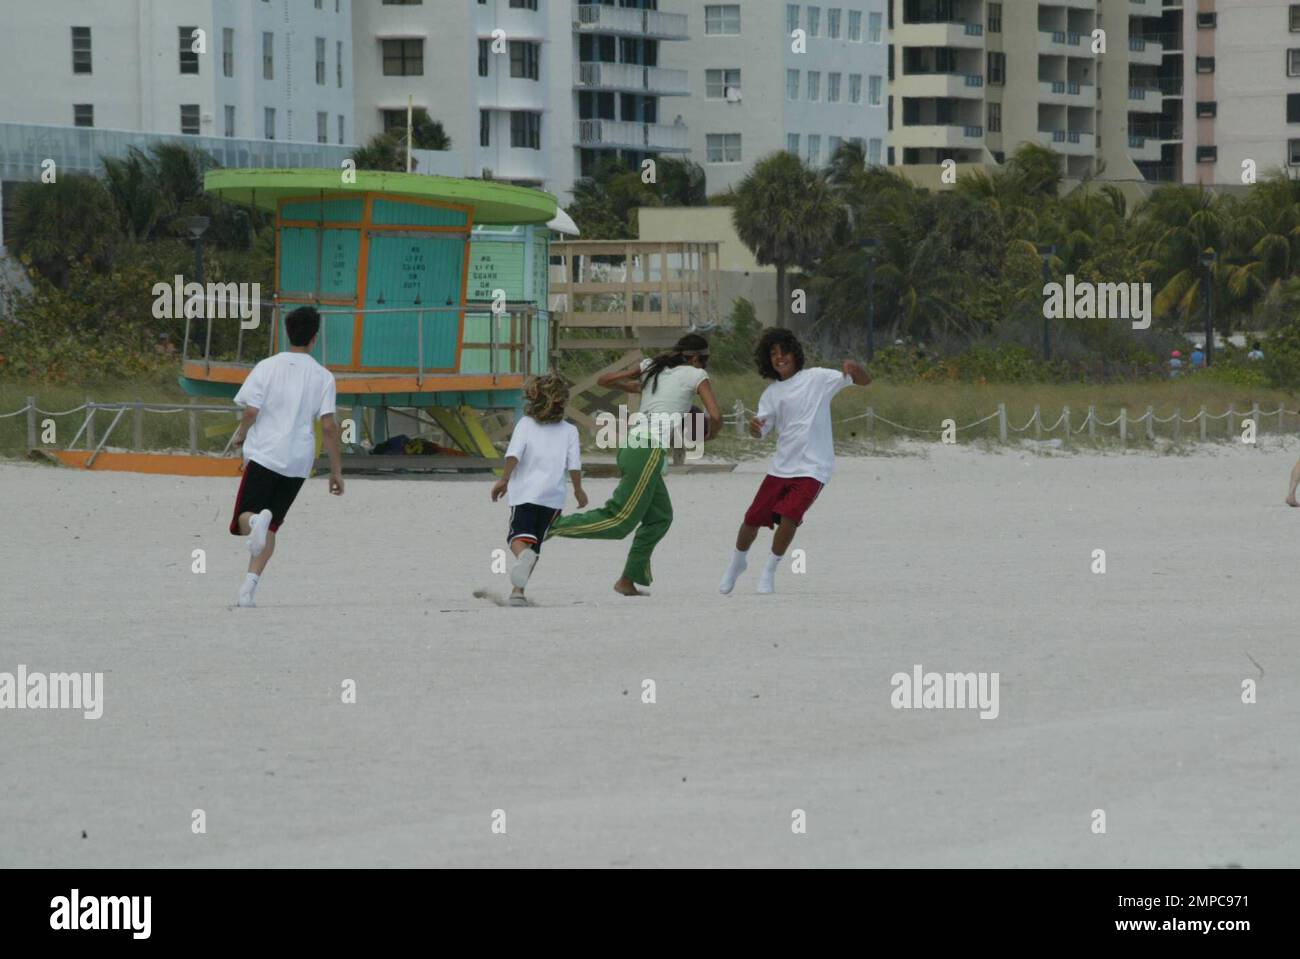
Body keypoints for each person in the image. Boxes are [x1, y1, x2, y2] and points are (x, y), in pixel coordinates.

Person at [547, 333, 722, 596]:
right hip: (647, 449)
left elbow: (604, 380)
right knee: (620, 521)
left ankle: (628, 580)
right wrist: (712, 433)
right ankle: (551, 526)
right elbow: (715, 414)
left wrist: (632, 382)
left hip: (632, 445)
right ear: (696, 358)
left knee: (660, 518)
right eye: (703, 361)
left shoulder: (654, 370)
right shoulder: (696, 376)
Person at [720, 328, 871, 595]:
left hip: (815, 468)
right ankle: (737, 563)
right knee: (751, 520)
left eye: (784, 352)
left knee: (790, 517)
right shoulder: (771, 393)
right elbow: (761, 431)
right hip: (781, 467)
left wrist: (855, 368)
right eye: (773, 354)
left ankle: (769, 570)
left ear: (795, 353)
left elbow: (863, 381)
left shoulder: (818, 378)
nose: (780, 358)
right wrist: (756, 428)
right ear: (768, 361)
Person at [229, 306, 343, 608]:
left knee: (246, 521)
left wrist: (240, 434)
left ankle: (255, 522)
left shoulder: (267, 366)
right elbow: (329, 426)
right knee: (272, 527)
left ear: (287, 332)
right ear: (314, 338)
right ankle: (248, 589)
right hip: (297, 463)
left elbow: (251, 411)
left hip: (266, 454)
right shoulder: (324, 376)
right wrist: (335, 471)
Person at [491, 374, 587, 606]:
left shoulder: (525, 424)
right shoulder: (570, 431)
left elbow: (514, 454)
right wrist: (578, 490)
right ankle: (517, 593)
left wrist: (503, 480)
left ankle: (521, 563)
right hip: (553, 499)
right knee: (534, 546)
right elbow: (574, 465)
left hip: (525, 494)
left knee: (518, 540)